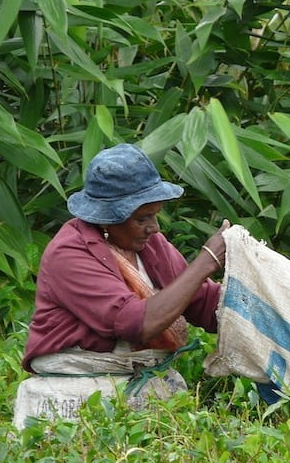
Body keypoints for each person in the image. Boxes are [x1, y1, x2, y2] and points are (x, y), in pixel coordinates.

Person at [22, 144, 229, 392]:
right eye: (142, 219)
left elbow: (200, 301)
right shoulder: (68, 254)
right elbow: (136, 324)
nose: (154, 228)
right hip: (83, 386)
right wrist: (207, 261)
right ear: (107, 218)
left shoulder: (151, 245)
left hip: (139, 376)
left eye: (155, 216)